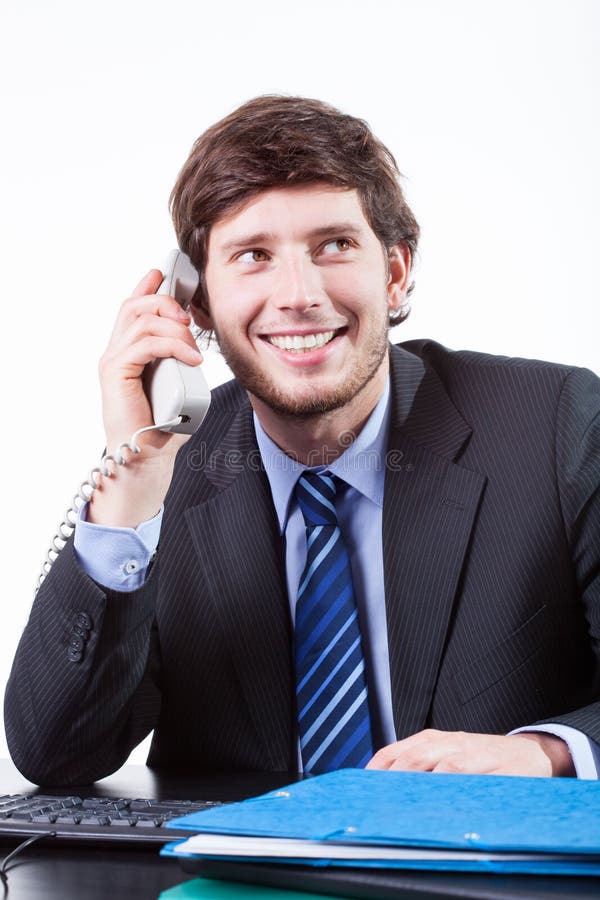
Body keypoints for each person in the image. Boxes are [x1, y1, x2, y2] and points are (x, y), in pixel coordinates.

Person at [5, 95, 600, 786]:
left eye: (335, 245)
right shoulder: (169, 474)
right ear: (195, 302)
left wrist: (546, 752)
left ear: (397, 271)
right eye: (253, 255)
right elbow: (57, 752)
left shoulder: (553, 425)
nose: (298, 294)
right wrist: (131, 486)